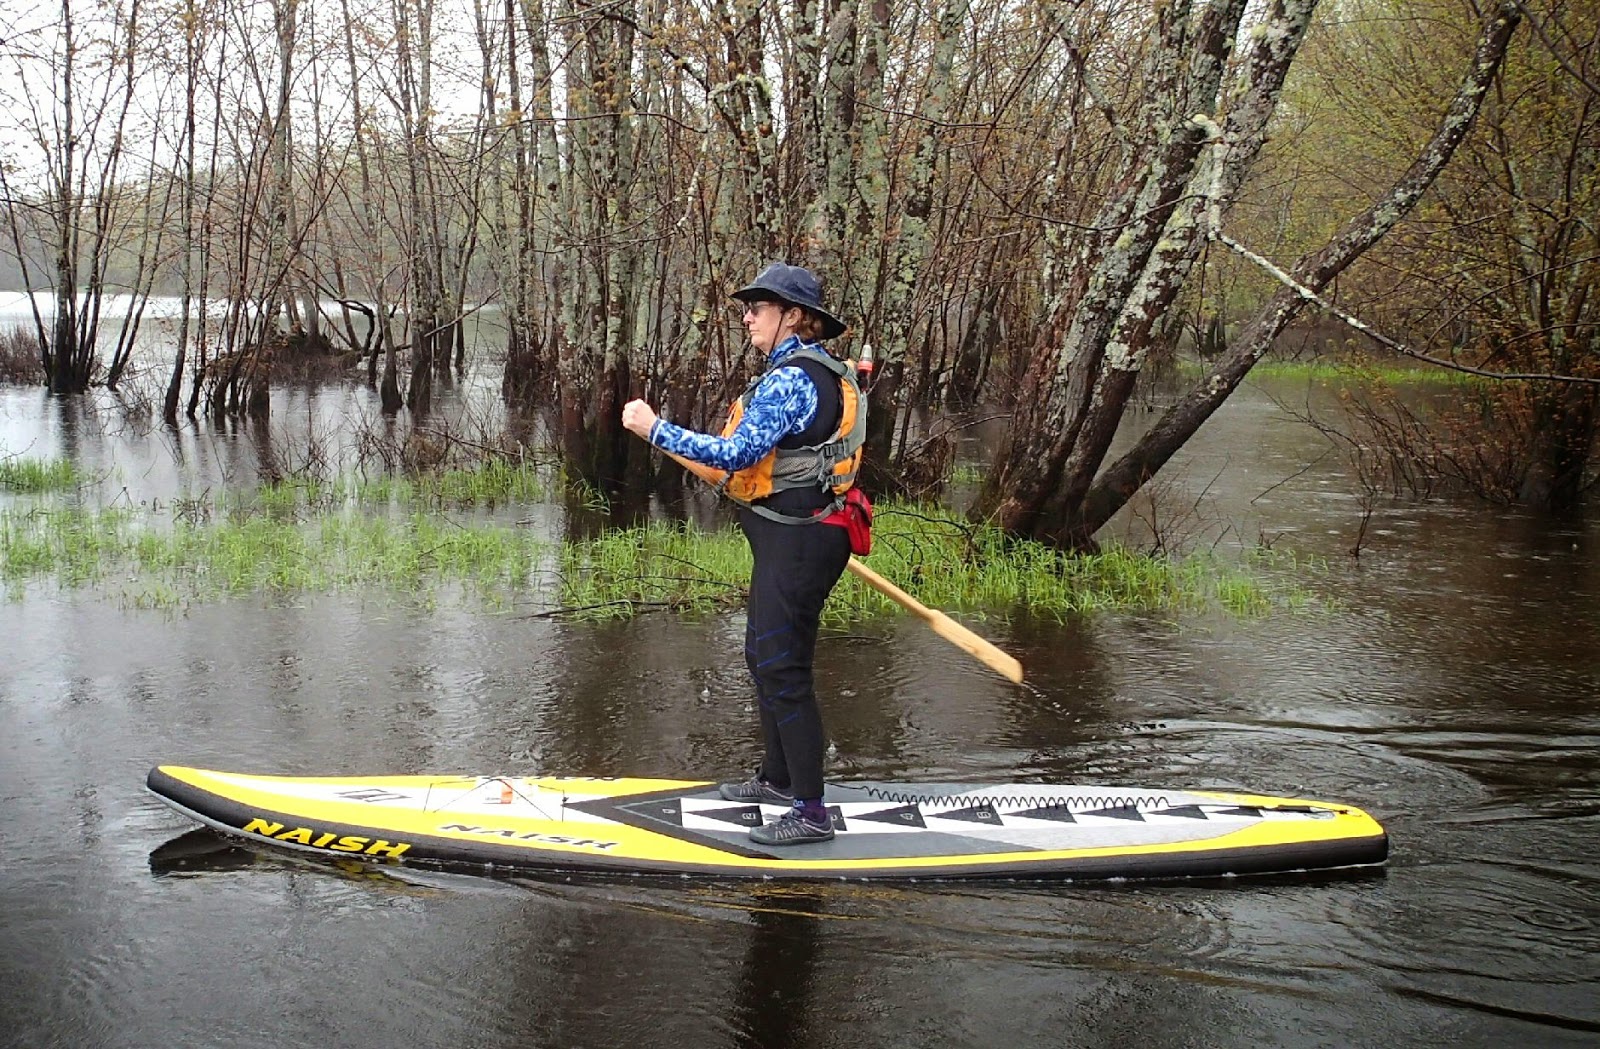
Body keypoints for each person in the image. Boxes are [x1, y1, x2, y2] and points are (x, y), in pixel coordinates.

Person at [621, 262, 865, 846]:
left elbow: (737, 454)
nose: (748, 317)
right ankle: (778, 780)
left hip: (800, 540)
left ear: (794, 317)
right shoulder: (802, 371)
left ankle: (811, 812)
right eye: (748, 308)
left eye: (759, 307)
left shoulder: (794, 379)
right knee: (763, 656)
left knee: (783, 668)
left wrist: (655, 428)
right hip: (794, 536)